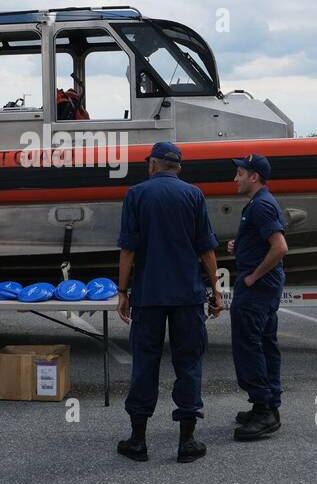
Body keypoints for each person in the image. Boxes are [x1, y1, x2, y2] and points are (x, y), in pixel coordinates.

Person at [116, 142, 222, 464]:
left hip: (148, 295)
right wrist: (216, 290)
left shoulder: (136, 195)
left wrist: (123, 291)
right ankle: (186, 442)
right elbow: (206, 249)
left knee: (144, 364)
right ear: (177, 166)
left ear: (154, 164)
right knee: (188, 364)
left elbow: (128, 250)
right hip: (187, 297)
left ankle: (138, 441)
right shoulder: (194, 195)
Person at [228, 153, 288, 441]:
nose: (235, 178)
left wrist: (253, 276)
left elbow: (279, 247)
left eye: (240, 173)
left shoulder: (261, 205)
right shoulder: (258, 203)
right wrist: (240, 245)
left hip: (257, 287)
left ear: (254, 176)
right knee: (264, 343)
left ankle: (264, 410)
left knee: (248, 345)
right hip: (263, 285)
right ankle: (265, 404)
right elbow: (264, 242)